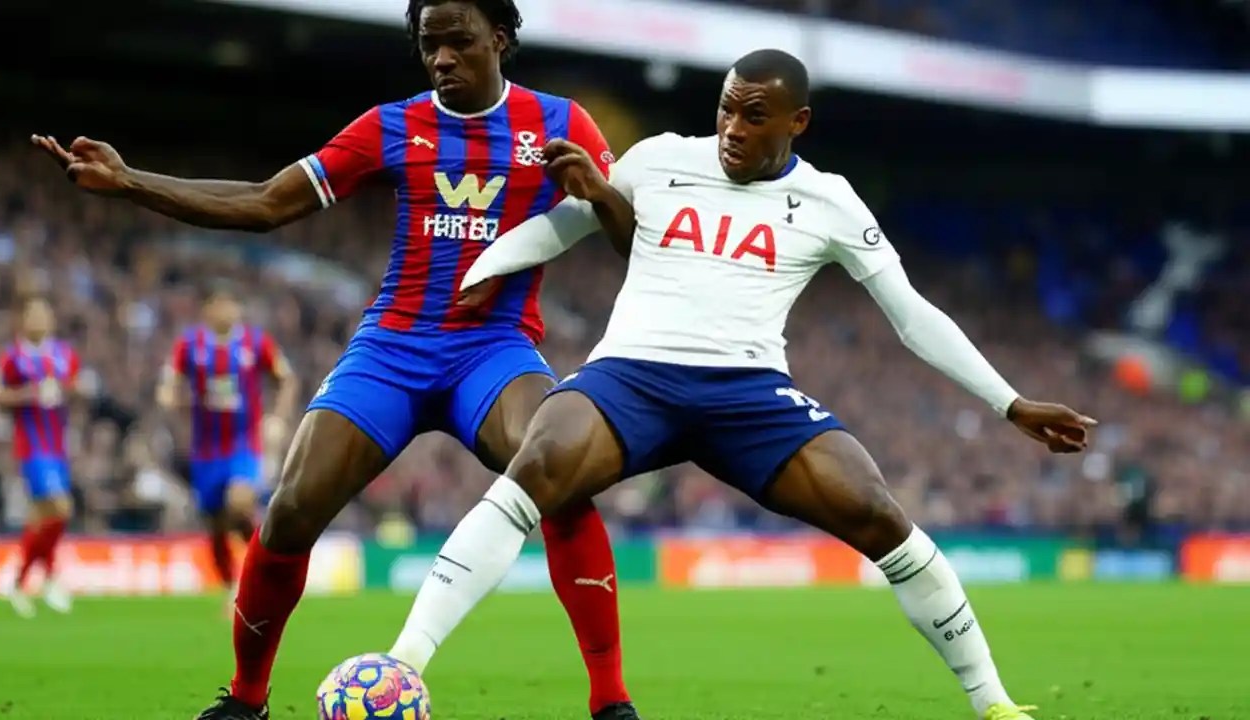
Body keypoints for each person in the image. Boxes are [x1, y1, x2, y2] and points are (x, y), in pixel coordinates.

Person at [388, 49, 1098, 720]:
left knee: (880, 513)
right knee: (535, 466)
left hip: (750, 395)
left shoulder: (831, 201)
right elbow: (560, 227)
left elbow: (912, 316)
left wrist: (1010, 402)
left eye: (754, 116)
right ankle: (404, 666)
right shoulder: (661, 157)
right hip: (632, 374)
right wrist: (488, 268)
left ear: (798, 123)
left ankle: (994, 701)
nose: (732, 128)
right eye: (726, 109)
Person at [31, 1, 640, 718]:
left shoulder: (564, 124)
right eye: (428, 45)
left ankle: (611, 703)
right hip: (393, 347)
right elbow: (265, 202)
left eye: (458, 42)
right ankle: (246, 699)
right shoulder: (392, 125)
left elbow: (636, 245)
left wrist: (601, 195)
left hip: (496, 349)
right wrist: (132, 181)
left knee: (560, 478)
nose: (441, 58)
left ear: (499, 39)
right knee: (289, 510)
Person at [157, 282, 297, 611]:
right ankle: (231, 587)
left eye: (232, 304)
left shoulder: (256, 342)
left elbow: (286, 379)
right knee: (217, 526)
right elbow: (170, 382)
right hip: (206, 451)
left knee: (240, 502)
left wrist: (278, 418)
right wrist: (169, 394)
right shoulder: (190, 345)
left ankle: (265, 575)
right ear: (207, 310)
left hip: (244, 444)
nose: (227, 311)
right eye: (220, 305)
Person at [0, 295, 84, 618]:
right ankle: (51, 577)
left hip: (58, 446)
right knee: (61, 505)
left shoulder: (62, 354)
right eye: (34, 315)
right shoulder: (12, 358)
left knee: (43, 517)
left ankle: (18, 581)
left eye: (45, 313)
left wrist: (71, 390)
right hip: (32, 445)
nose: (41, 320)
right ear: (22, 321)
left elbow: (77, 386)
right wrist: (27, 394)